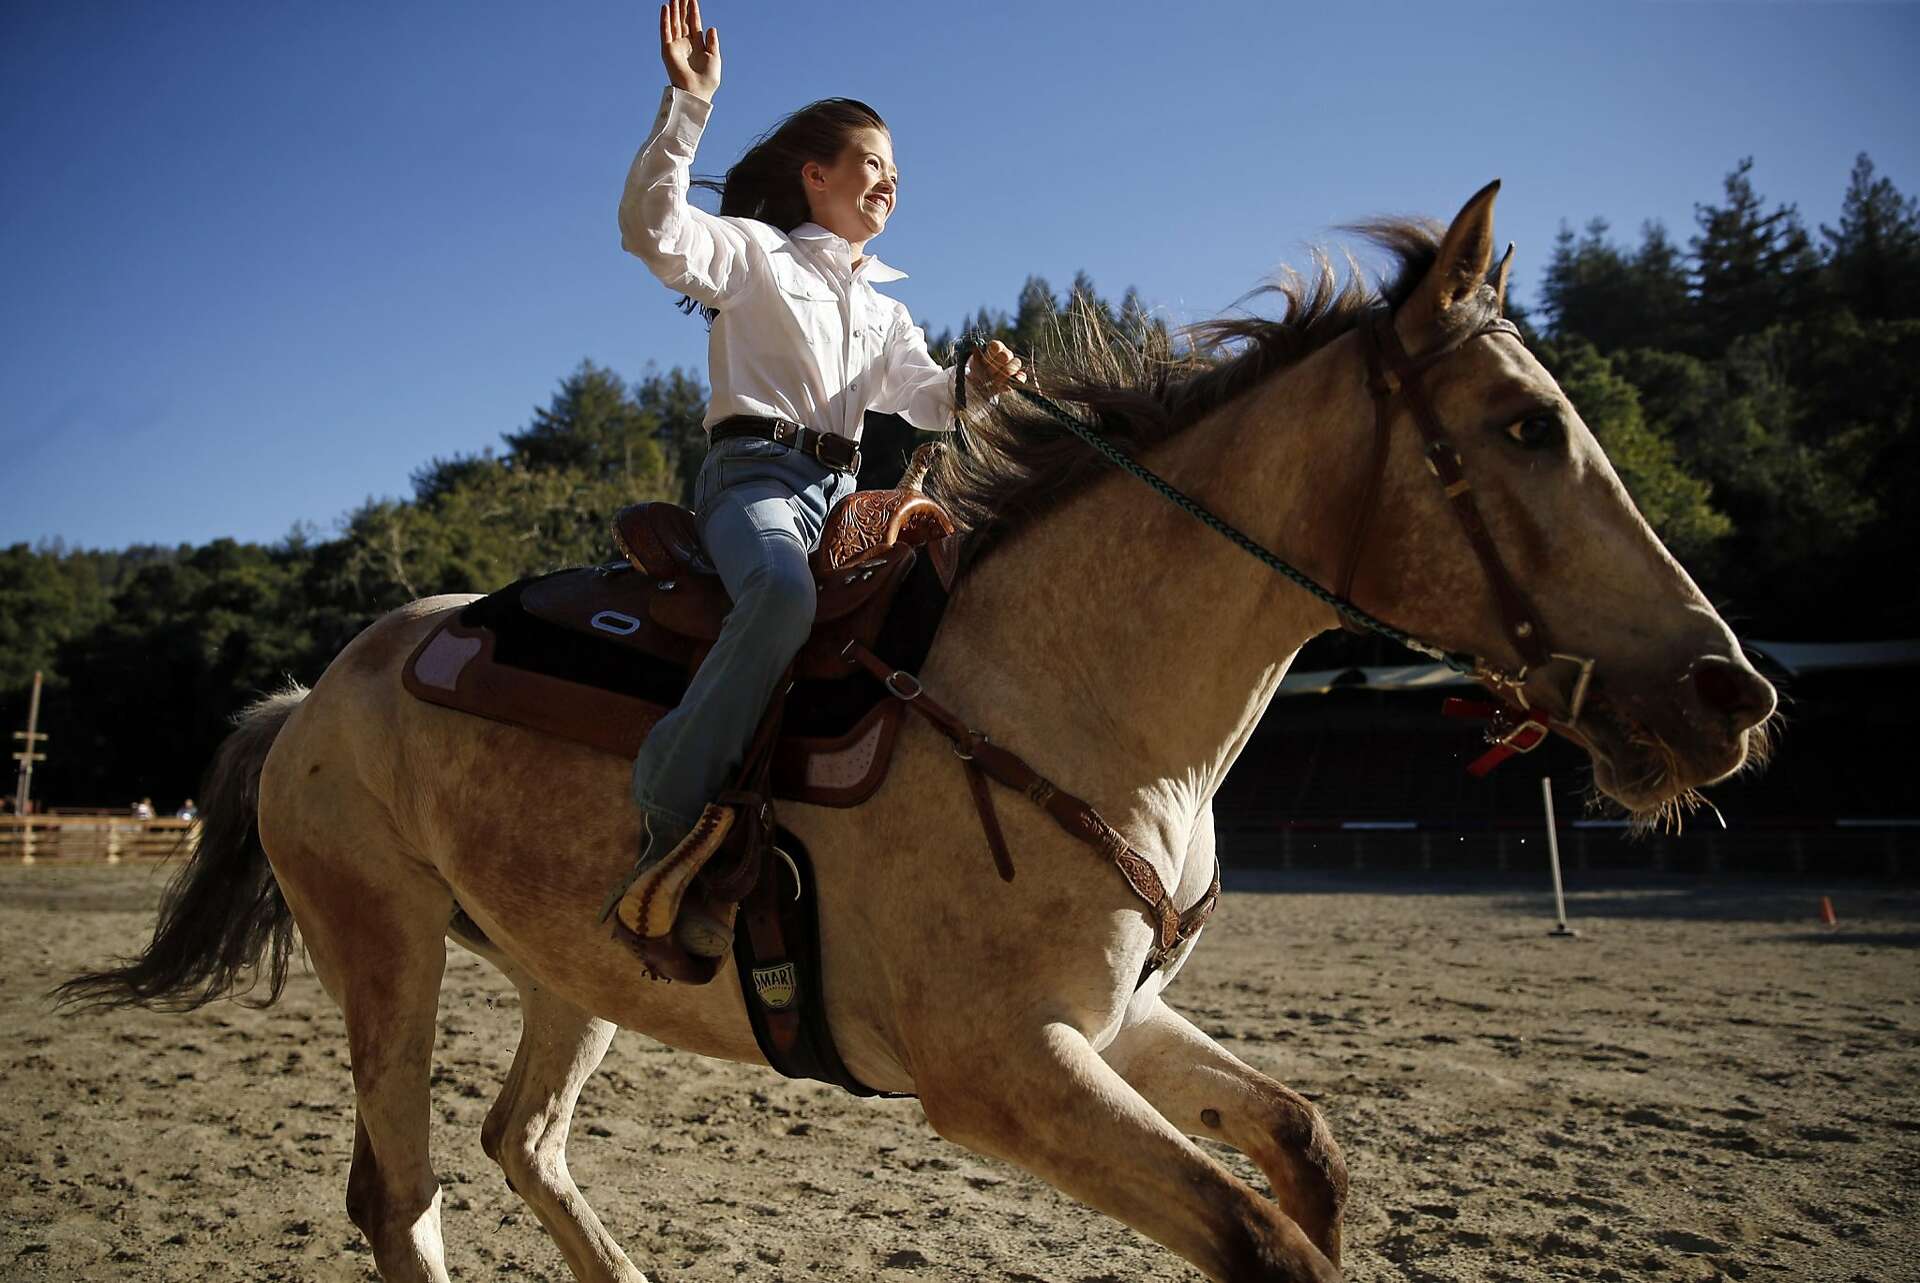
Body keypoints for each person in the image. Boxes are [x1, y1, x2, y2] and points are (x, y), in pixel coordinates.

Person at [604, 0, 1023, 964]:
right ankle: (669, 814)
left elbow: (926, 399)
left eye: (897, 172)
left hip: (844, 497)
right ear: (816, 174)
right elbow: (650, 229)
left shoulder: (883, 307)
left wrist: (978, 384)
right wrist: (688, 106)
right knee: (784, 594)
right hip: (752, 480)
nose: (889, 181)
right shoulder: (752, 254)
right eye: (872, 162)